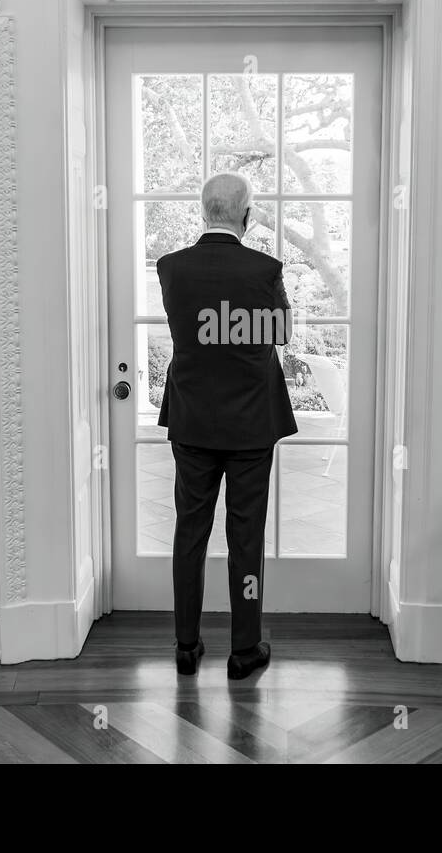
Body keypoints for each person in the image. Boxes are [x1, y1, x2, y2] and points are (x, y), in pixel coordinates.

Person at [156, 172, 297, 678]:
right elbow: (280, 334)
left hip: (192, 420)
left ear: (203, 211)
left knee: (189, 532)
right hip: (250, 424)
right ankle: (243, 648)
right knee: (246, 537)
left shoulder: (171, 268)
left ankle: (186, 646)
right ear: (246, 213)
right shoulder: (264, 269)